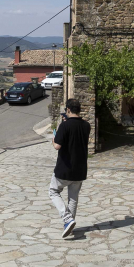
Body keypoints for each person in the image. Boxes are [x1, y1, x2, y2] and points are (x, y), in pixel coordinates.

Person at [49, 98, 91, 238]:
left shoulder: (65, 126)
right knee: (73, 198)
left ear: (67, 109)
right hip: (80, 169)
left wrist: (54, 139)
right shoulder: (87, 125)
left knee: (53, 191)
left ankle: (67, 219)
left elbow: (57, 146)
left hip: (64, 168)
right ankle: (69, 226)